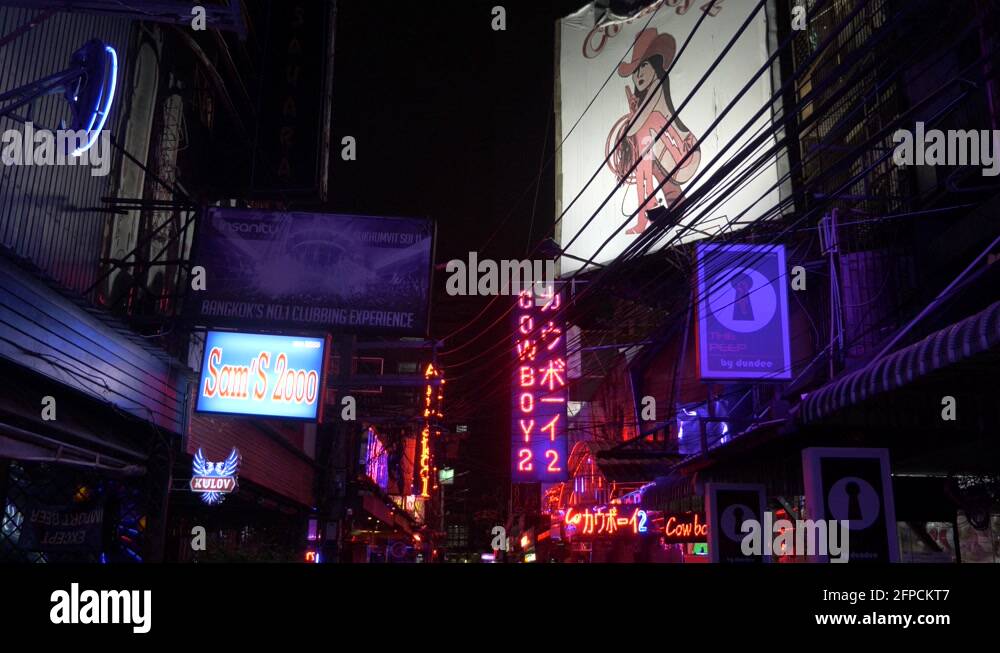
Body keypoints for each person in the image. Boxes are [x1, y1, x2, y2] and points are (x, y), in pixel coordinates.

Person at [608, 29, 700, 234]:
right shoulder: (644, 96)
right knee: (643, 174)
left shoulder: (657, 86)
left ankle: (662, 209)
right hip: (658, 152)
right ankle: (644, 220)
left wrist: (633, 119)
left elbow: (639, 123)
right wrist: (633, 111)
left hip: (681, 155)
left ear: (656, 66)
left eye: (643, 67)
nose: (638, 74)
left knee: (648, 172)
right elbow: (638, 126)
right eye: (636, 70)